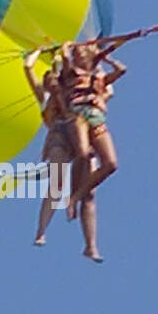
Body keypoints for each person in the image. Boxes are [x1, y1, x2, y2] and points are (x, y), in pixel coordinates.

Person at [58, 40, 127, 245]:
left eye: (82, 52)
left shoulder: (99, 77)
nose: (79, 55)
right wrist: (66, 48)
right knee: (83, 154)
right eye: (77, 53)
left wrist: (106, 57)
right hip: (77, 115)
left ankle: (76, 196)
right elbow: (64, 58)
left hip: (97, 118)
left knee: (111, 164)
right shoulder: (70, 73)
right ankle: (72, 196)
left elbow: (122, 70)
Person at [22, 48, 77, 247]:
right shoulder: (45, 98)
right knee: (57, 185)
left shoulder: (70, 91)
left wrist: (62, 55)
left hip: (76, 138)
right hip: (59, 140)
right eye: (47, 78)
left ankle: (74, 202)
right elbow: (28, 67)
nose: (51, 79)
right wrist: (38, 52)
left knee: (89, 167)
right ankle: (41, 231)